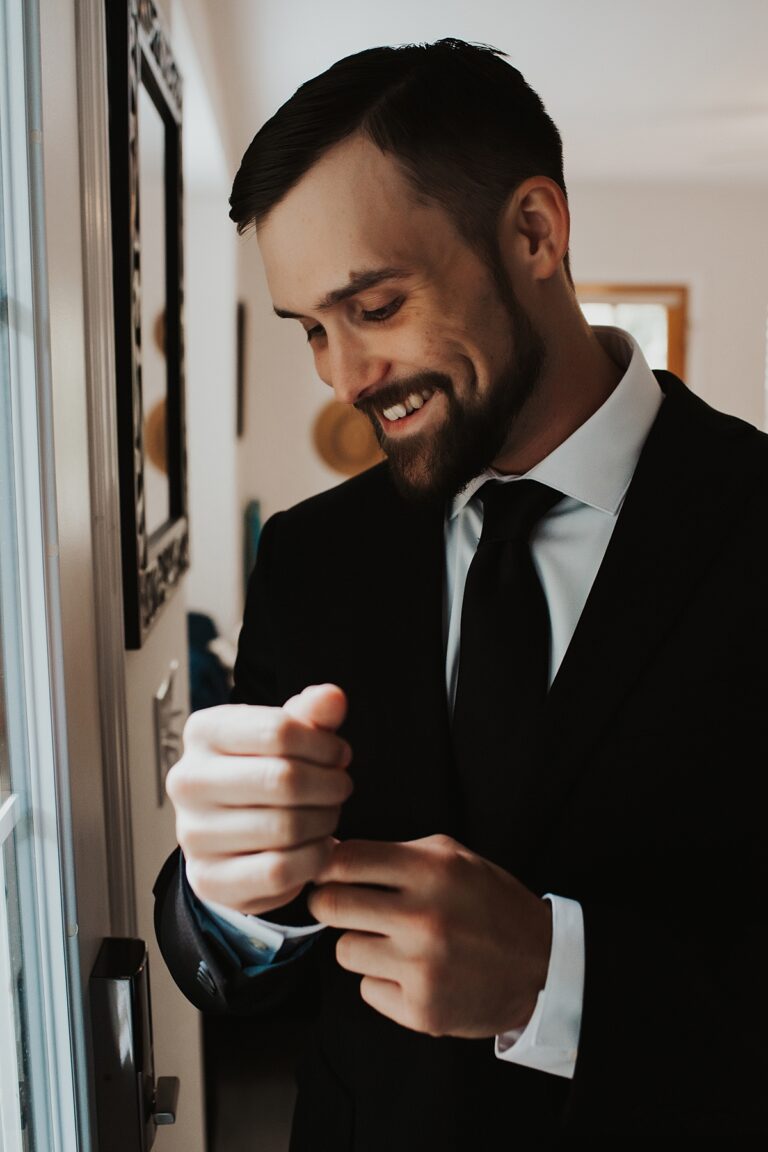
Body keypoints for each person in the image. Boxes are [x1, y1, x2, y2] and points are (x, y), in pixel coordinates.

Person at [153, 39, 768, 1147]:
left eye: (375, 306)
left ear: (535, 231)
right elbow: (246, 971)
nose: (342, 378)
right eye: (311, 331)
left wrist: (554, 978)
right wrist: (226, 890)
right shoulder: (312, 556)